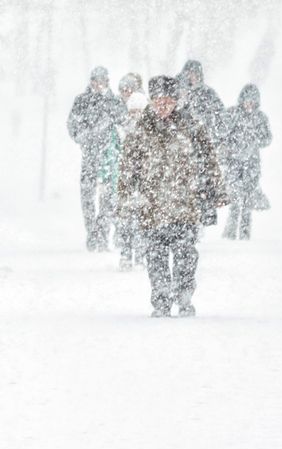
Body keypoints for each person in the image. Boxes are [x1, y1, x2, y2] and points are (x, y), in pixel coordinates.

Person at [118, 75, 226, 317]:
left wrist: (215, 190)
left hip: (185, 206)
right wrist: (127, 197)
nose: (163, 105)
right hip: (152, 209)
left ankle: (184, 295)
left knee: (185, 255)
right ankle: (161, 299)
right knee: (155, 258)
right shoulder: (140, 132)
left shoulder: (191, 128)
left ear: (176, 101)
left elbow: (208, 161)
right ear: (151, 102)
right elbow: (127, 169)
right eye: (158, 100)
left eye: (168, 100)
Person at [67, 66, 127, 251]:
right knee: (87, 196)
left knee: (108, 198)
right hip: (90, 156)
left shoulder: (114, 101)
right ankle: (91, 233)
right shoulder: (82, 101)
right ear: (91, 81)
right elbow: (72, 125)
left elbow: (123, 120)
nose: (99, 84)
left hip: (109, 157)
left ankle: (102, 234)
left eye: (102, 81)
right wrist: (85, 138)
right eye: (96, 80)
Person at [220, 84, 272, 240]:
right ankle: (230, 232)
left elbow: (267, 139)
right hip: (234, 163)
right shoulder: (233, 113)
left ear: (256, 102)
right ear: (242, 100)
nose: (249, 104)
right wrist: (229, 147)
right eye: (246, 101)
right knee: (235, 198)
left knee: (248, 200)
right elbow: (222, 133)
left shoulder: (261, 118)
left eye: (252, 101)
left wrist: (256, 139)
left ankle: (244, 233)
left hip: (252, 164)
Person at [114, 90, 150, 270]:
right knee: (126, 222)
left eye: (139, 111)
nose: (136, 115)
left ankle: (141, 256)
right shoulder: (123, 132)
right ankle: (126, 254)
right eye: (133, 111)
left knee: (143, 221)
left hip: (145, 183)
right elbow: (118, 158)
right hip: (126, 183)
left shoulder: (151, 132)